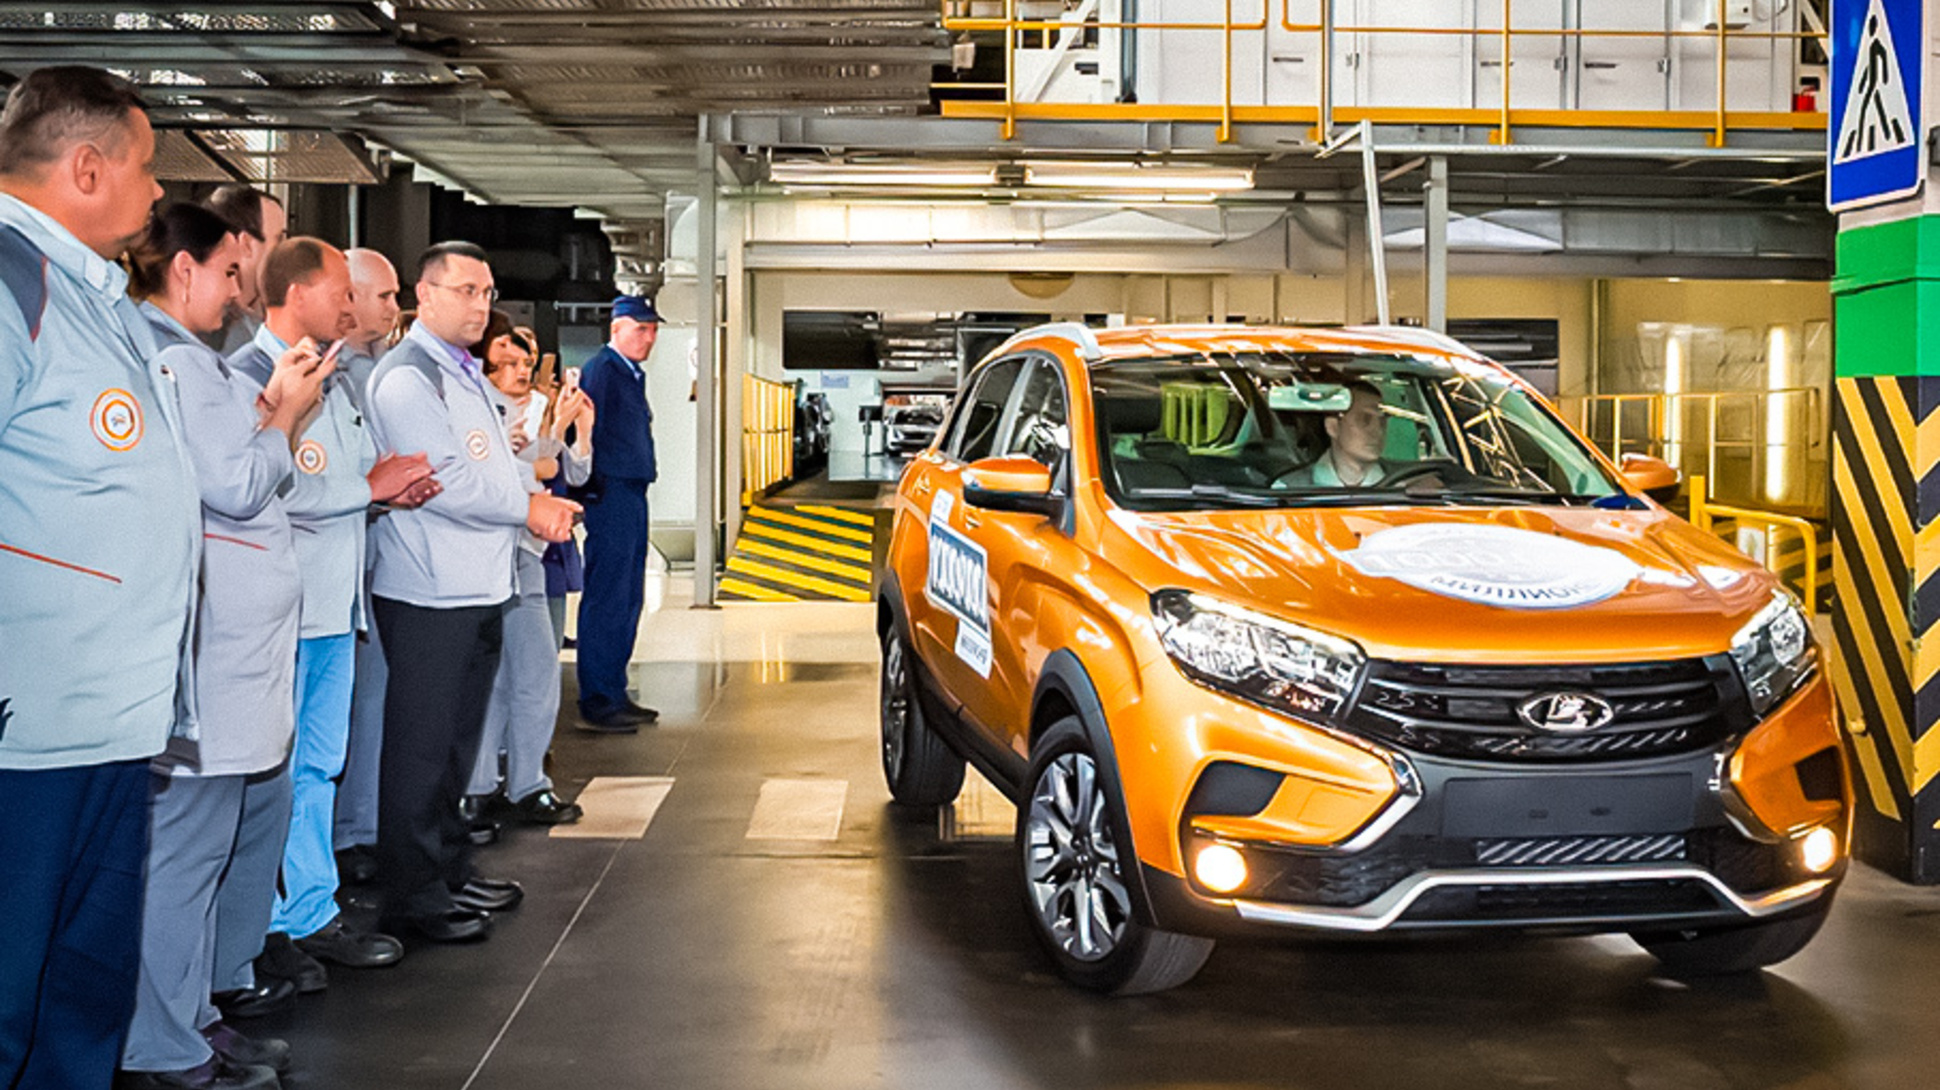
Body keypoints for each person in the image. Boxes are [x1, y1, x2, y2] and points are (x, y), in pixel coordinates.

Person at [0, 67, 197, 1090]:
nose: (156, 192)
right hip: (24, 735)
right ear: (85, 167)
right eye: (145, 166)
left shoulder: (90, 295)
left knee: (80, 995)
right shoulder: (13, 286)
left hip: (108, 724)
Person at [122, 203, 333, 1090]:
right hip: (211, 657)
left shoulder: (188, 360)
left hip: (237, 652)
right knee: (186, 856)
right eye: (228, 273)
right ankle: (164, 1045)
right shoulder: (175, 361)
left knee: (216, 848)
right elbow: (240, 483)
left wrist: (270, 414)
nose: (237, 291)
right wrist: (284, 417)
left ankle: (196, 1015)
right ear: (185, 269)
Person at [227, 238, 436, 993]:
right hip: (280, 612)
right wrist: (368, 490)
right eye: (341, 290)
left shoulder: (334, 381)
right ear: (298, 293)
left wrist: (386, 491)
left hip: (332, 608)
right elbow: (271, 488)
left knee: (317, 768)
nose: (352, 305)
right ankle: (262, 928)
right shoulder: (249, 377)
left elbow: (346, 479)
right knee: (272, 778)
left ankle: (310, 910)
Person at [363, 242, 579, 943]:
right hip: (429, 589)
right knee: (422, 750)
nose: (480, 306)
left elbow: (495, 465)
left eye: (487, 293)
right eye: (465, 291)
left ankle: (450, 871)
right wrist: (527, 509)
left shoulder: (461, 372)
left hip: (476, 583)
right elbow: (444, 479)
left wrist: (525, 496)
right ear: (424, 295)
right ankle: (415, 895)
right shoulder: (409, 378)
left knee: (456, 746)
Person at [466, 314, 593, 827]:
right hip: (483, 551)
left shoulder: (536, 409)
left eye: (527, 361)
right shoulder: (472, 407)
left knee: (536, 667)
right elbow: (529, 470)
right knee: (491, 676)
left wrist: (567, 430)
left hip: (528, 553)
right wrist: (544, 444)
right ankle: (479, 785)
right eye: (508, 361)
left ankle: (526, 782)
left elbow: (557, 468)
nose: (521, 371)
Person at [333, 248, 403, 886]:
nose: (393, 308)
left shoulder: (378, 369)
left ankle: (365, 823)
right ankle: (349, 831)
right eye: (383, 296)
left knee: (370, 698)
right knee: (350, 705)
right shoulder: (336, 373)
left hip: (369, 557)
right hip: (337, 562)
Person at [575, 295, 662, 732]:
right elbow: (587, 434)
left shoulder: (628, 373)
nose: (649, 338)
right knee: (609, 592)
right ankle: (597, 697)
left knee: (628, 594)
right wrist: (590, 489)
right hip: (610, 492)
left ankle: (614, 687)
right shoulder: (603, 371)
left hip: (630, 489)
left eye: (653, 330)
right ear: (616, 328)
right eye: (640, 328)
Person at [201, 185, 286, 356]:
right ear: (246, 243)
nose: (287, 251)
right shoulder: (223, 332)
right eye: (279, 239)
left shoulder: (253, 321)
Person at [1274, 381, 1392, 488]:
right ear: (1333, 427)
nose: (1378, 431)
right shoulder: (1288, 489)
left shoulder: (1399, 485)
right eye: (1364, 419)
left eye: (1382, 421)